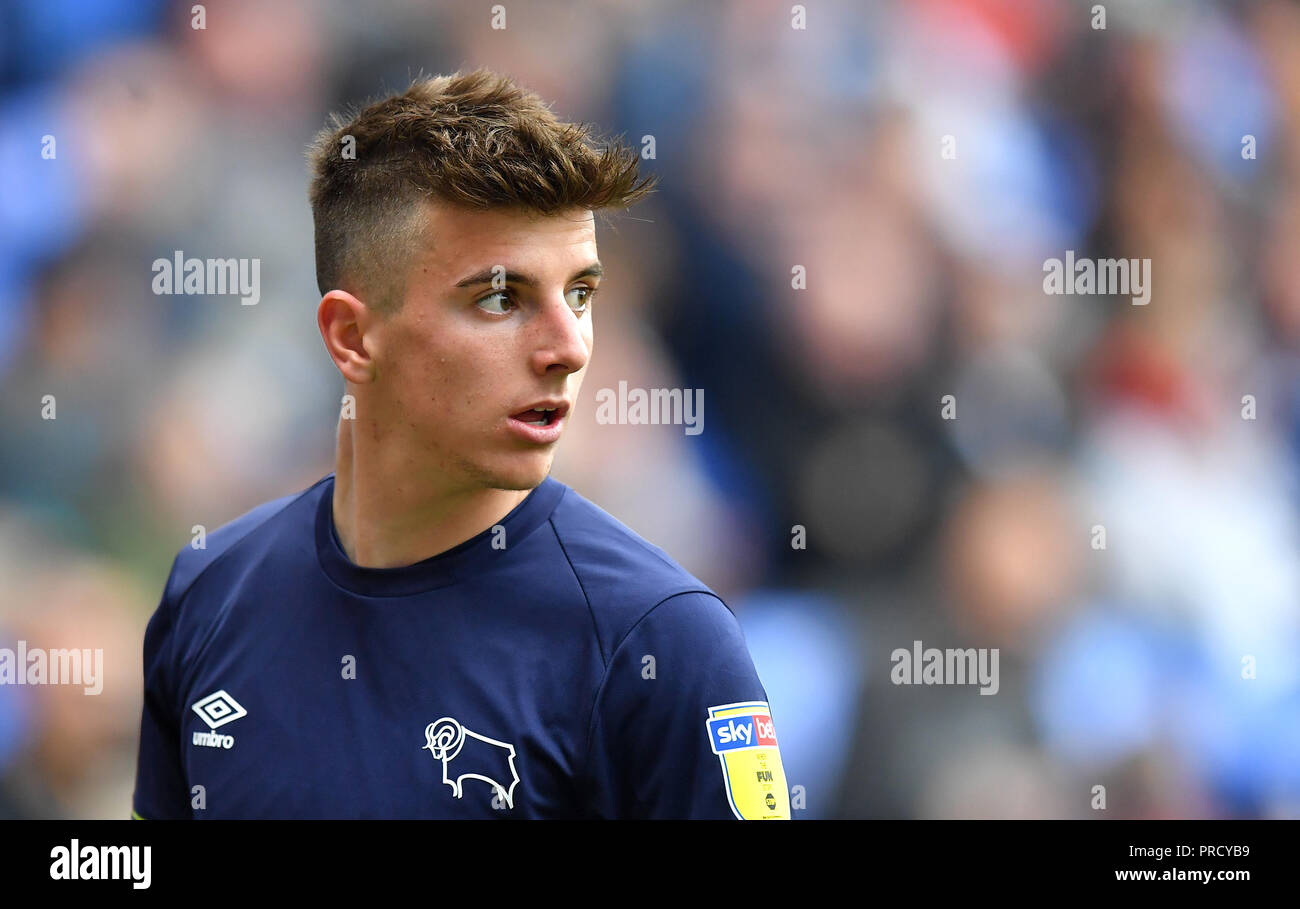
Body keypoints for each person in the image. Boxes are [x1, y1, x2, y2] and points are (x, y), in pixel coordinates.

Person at [131, 68, 789, 819]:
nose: (570, 348)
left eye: (581, 294)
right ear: (351, 337)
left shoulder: (665, 644)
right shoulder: (208, 595)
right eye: (501, 298)